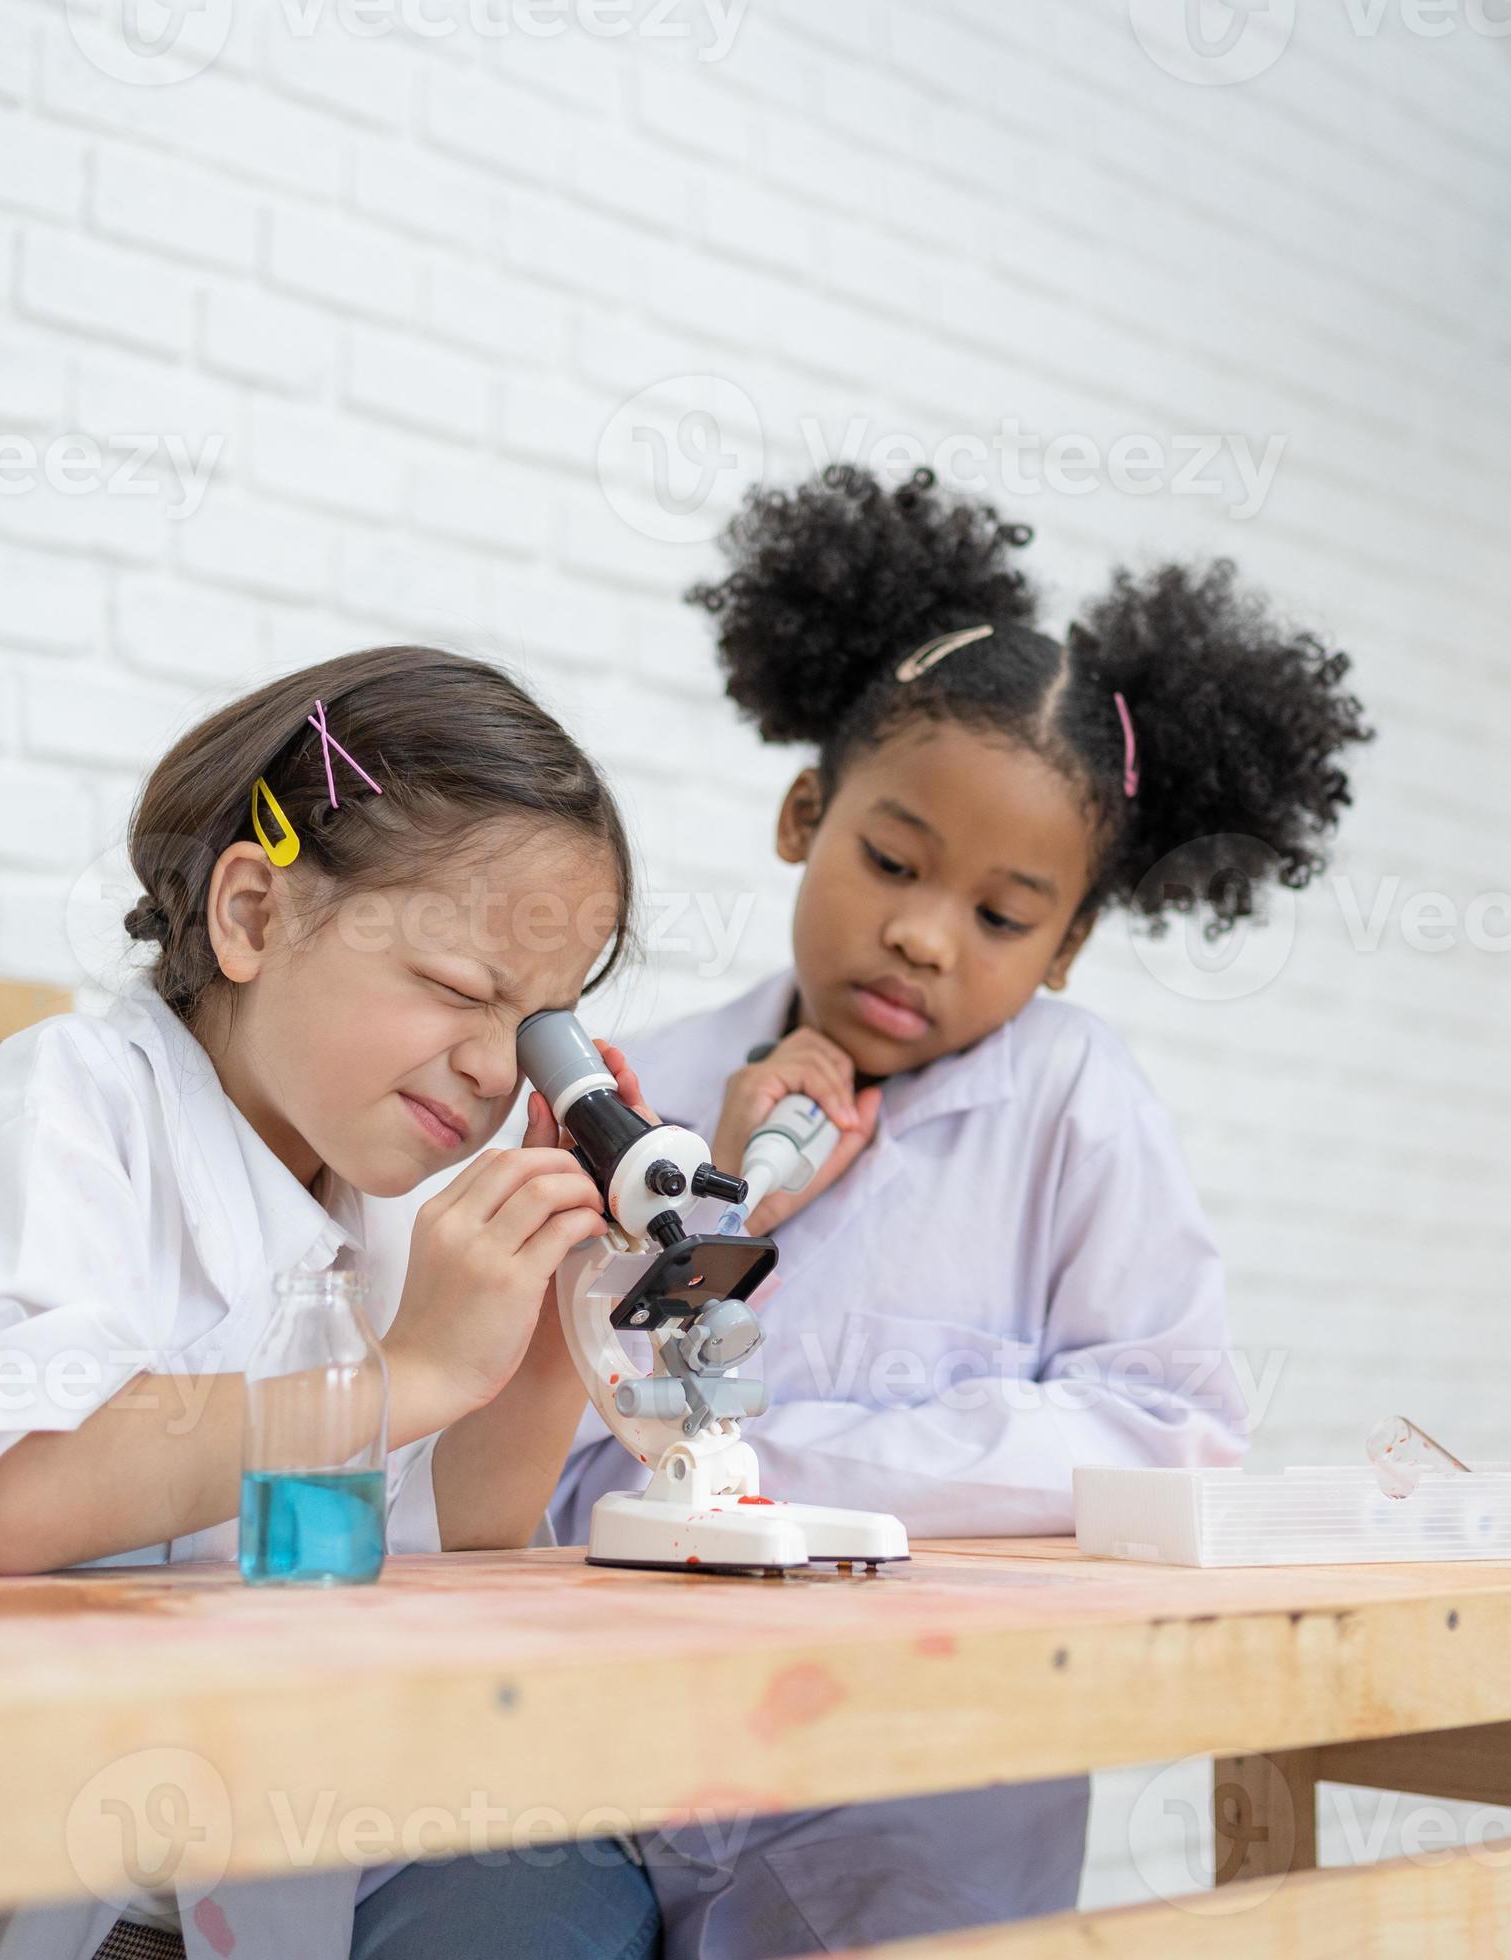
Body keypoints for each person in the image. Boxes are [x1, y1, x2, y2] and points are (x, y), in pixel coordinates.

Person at [0, 647, 662, 1960]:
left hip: (182, 1831)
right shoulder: (69, 1103)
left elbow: (465, 1527)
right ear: (255, 917)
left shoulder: (369, 1197)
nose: (494, 1069)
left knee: (575, 1879)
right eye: (454, 990)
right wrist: (411, 1371)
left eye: (540, 1024)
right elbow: (16, 1495)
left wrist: (549, 1295)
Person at [551, 465, 1372, 1956]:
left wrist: (778, 1469)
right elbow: (548, 1452)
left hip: (910, 1815)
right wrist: (722, 1189)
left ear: (1067, 945)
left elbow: (1164, 1425)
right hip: (619, 1774)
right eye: (889, 861)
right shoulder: (647, 1088)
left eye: (1002, 916)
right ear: (805, 812)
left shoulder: (1074, 1103)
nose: (925, 934)